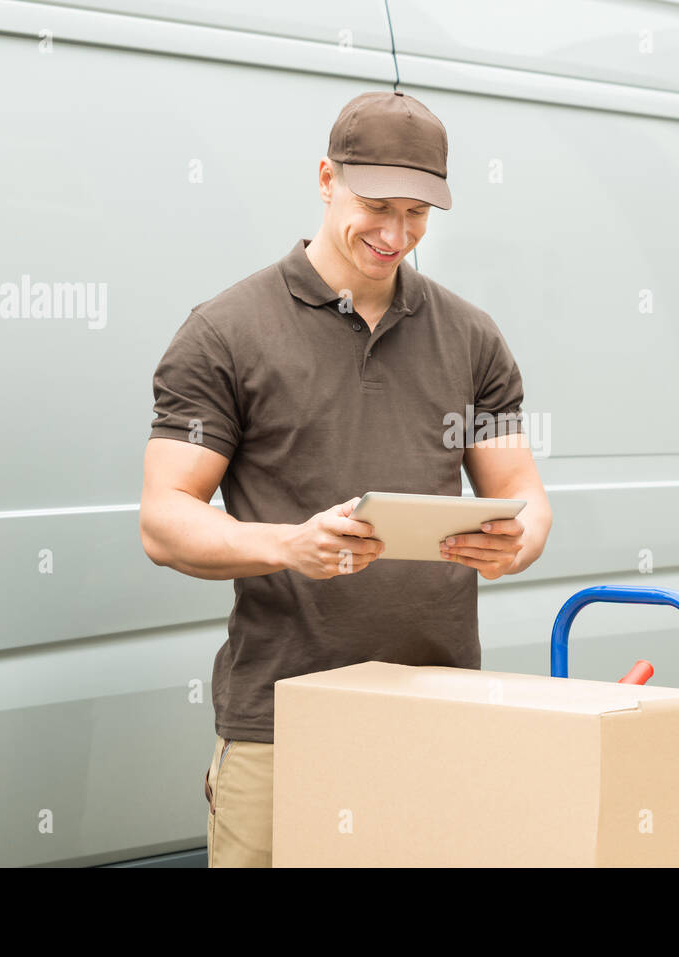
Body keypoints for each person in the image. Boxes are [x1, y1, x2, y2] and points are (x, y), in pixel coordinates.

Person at [138, 90, 553, 867]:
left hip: (438, 711)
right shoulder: (226, 332)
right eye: (377, 206)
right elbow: (163, 517)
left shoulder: (471, 337)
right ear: (326, 179)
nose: (397, 235)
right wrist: (289, 545)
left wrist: (517, 540)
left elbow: (525, 495)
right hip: (281, 723)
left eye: (419, 214)